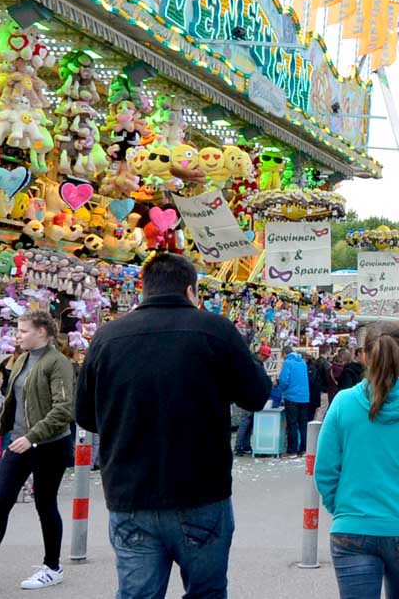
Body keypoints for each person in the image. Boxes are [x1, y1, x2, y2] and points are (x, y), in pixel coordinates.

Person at [73, 252, 271, 599]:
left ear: (144, 291)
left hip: (130, 493)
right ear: (191, 292)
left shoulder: (107, 338)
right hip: (200, 492)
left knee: (136, 594)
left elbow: (87, 417)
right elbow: (255, 396)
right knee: (206, 592)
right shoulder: (215, 330)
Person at [315, 321, 399, 599]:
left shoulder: (343, 403)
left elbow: (324, 470)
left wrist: (340, 506)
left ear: (363, 355)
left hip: (353, 526)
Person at [0, 311, 75, 595]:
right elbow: (14, 399)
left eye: (23, 331)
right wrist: (11, 432)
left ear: (42, 332)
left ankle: (52, 567)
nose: (17, 336)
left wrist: (32, 436)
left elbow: (64, 409)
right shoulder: (20, 359)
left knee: (45, 503)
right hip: (19, 442)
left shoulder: (58, 363)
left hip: (49, 444)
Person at [235, 344, 272, 456]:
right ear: (260, 354)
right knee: (245, 422)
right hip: (248, 396)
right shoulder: (254, 364)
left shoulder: (254, 362)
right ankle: (238, 446)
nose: (265, 359)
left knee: (248, 423)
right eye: (265, 356)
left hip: (249, 395)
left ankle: (245, 446)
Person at [279, 346, 310, 458]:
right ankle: (304, 449)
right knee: (302, 424)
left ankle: (292, 450)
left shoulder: (288, 362)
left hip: (292, 397)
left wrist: (280, 390)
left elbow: (284, 380)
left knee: (292, 424)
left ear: (284, 354)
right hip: (305, 397)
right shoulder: (302, 362)